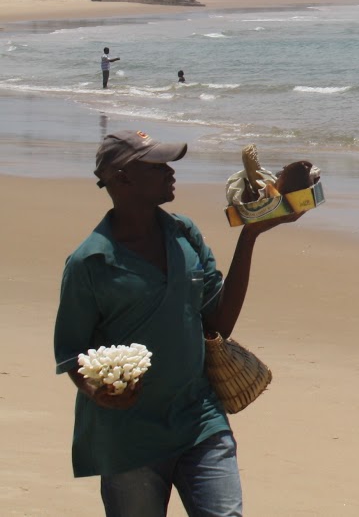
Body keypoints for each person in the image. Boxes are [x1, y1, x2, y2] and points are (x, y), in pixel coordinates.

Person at [54, 130, 300, 516]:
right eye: (157, 166)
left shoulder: (184, 233)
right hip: (129, 439)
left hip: (199, 418)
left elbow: (218, 322)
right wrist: (96, 392)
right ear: (122, 178)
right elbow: (72, 351)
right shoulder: (91, 263)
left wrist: (249, 236)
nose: (171, 172)